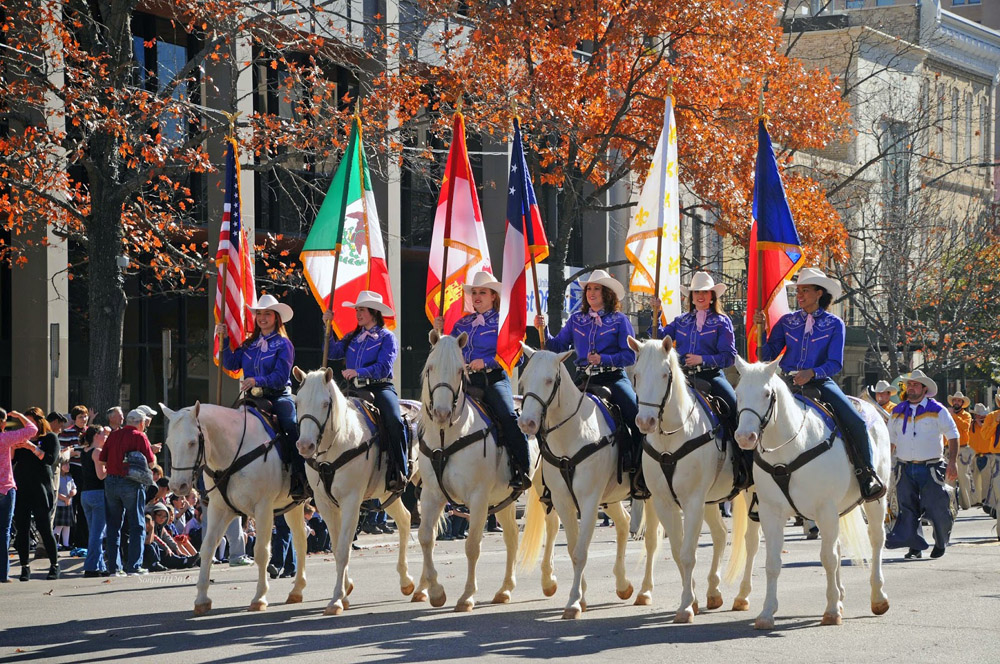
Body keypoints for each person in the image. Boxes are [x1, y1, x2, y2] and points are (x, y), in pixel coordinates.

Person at [755, 268, 885, 501]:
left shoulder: (835, 324)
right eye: (799, 291)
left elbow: (835, 363)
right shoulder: (787, 322)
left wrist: (812, 372)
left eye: (805, 290)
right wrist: (760, 332)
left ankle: (867, 473)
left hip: (820, 382)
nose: (800, 295)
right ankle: (754, 485)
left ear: (819, 293)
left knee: (854, 420)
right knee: (755, 417)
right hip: (787, 382)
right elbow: (766, 355)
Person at [534, 269, 644, 494]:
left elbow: (630, 355)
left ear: (607, 293)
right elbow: (557, 346)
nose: (591, 293)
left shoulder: (620, 320)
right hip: (583, 379)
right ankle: (549, 476)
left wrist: (605, 358)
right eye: (589, 289)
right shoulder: (576, 320)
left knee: (637, 417)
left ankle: (639, 471)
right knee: (546, 416)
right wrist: (542, 330)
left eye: (596, 289)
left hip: (613, 378)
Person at [434, 271, 531, 490]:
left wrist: (486, 362)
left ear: (493, 296)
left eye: (482, 293)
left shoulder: (502, 322)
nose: (477, 296)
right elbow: (447, 351)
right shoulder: (461, 324)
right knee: (438, 414)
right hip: (464, 382)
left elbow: (518, 356)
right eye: (474, 292)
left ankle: (522, 469)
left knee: (508, 417)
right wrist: (439, 332)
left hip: (493, 380)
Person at [650, 271, 747, 487]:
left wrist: (703, 359)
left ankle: (744, 466)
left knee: (735, 412)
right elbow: (658, 340)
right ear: (691, 297)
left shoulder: (722, 321)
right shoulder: (681, 321)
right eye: (696, 293)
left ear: (712, 296)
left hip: (711, 378)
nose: (700, 296)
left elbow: (728, 356)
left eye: (704, 293)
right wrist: (655, 314)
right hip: (682, 380)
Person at [217, 293, 306, 500]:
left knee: (290, 425)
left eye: (267, 314)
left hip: (278, 395)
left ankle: (300, 478)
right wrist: (224, 340)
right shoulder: (249, 344)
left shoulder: (285, 344)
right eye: (259, 314)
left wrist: (257, 380)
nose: (262, 318)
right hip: (252, 397)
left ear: (276, 317)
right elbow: (231, 364)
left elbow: (280, 376)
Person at [325, 290, 407, 492]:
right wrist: (327, 327)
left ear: (374, 312)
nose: (358, 314)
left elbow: (384, 367)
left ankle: (400, 469)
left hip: (380, 387)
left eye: (361, 310)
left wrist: (358, 371)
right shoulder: (352, 337)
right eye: (357, 310)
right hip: (354, 389)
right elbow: (333, 352)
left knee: (395, 421)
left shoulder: (387, 337)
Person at [885, 371, 959, 559]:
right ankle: (915, 546)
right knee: (907, 508)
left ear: (924, 389)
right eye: (909, 385)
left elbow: (953, 436)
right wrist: (886, 464)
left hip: (932, 467)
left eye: (916, 385)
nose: (911, 388)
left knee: (936, 507)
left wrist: (952, 462)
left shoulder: (938, 410)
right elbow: (891, 441)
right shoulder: (897, 411)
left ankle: (941, 541)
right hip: (904, 466)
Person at [100, 409, 156, 576]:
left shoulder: (114, 435)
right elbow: (152, 464)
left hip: (111, 482)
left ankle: (114, 568)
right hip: (131, 483)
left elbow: (102, 459)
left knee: (113, 525)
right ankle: (134, 566)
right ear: (140, 422)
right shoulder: (140, 436)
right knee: (137, 525)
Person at [12, 408, 57, 581]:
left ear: (39, 421)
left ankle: (54, 565)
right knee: (22, 530)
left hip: (41, 488)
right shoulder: (20, 437)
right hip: (22, 487)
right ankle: (25, 567)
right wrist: (14, 447)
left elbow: (50, 459)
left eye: (30, 421)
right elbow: (12, 460)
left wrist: (31, 447)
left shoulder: (49, 438)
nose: (27, 425)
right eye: (25, 422)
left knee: (44, 528)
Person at [0, 408, 39, 583]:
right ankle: (3, 574)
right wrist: (19, 416)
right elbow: (33, 430)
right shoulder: (5, 438)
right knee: (4, 532)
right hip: (6, 488)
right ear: (3, 423)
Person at [80, 425, 110, 577]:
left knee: (94, 531)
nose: (105, 437)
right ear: (96, 436)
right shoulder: (97, 452)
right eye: (103, 435)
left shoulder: (84, 451)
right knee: (97, 533)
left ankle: (100, 566)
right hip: (98, 494)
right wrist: (110, 467)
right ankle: (91, 567)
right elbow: (101, 475)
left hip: (85, 494)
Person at [947, 391, 972, 510]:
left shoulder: (966, 415)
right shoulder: (947, 414)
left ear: (962, 403)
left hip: (962, 448)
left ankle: (966, 504)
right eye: (955, 400)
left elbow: (965, 427)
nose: (956, 402)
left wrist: (953, 416)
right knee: (949, 478)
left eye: (959, 401)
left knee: (963, 477)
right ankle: (951, 504)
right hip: (949, 448)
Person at [967, 402, 995, 507]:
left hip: (987, 455)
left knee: (986, 480)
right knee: (974, 480)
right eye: (979, 415)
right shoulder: (971, 425)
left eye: (983, 415)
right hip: (974, 455)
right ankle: (976, 500)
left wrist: (982, 425)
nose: (981, 417)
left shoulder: (989, 425)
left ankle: (986, 500)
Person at [53, 461, 77, 549]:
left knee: (67, 525)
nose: (68, 466)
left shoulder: (69, 478)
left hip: (68, 505)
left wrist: (72, 493)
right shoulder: (57, 478)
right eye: (65, 464)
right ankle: (54, 543)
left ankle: (66, 544)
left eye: (68, 464)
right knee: (59, 525)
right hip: (59, 504)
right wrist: (64, 498)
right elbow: (55, 491)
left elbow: (74, 488)